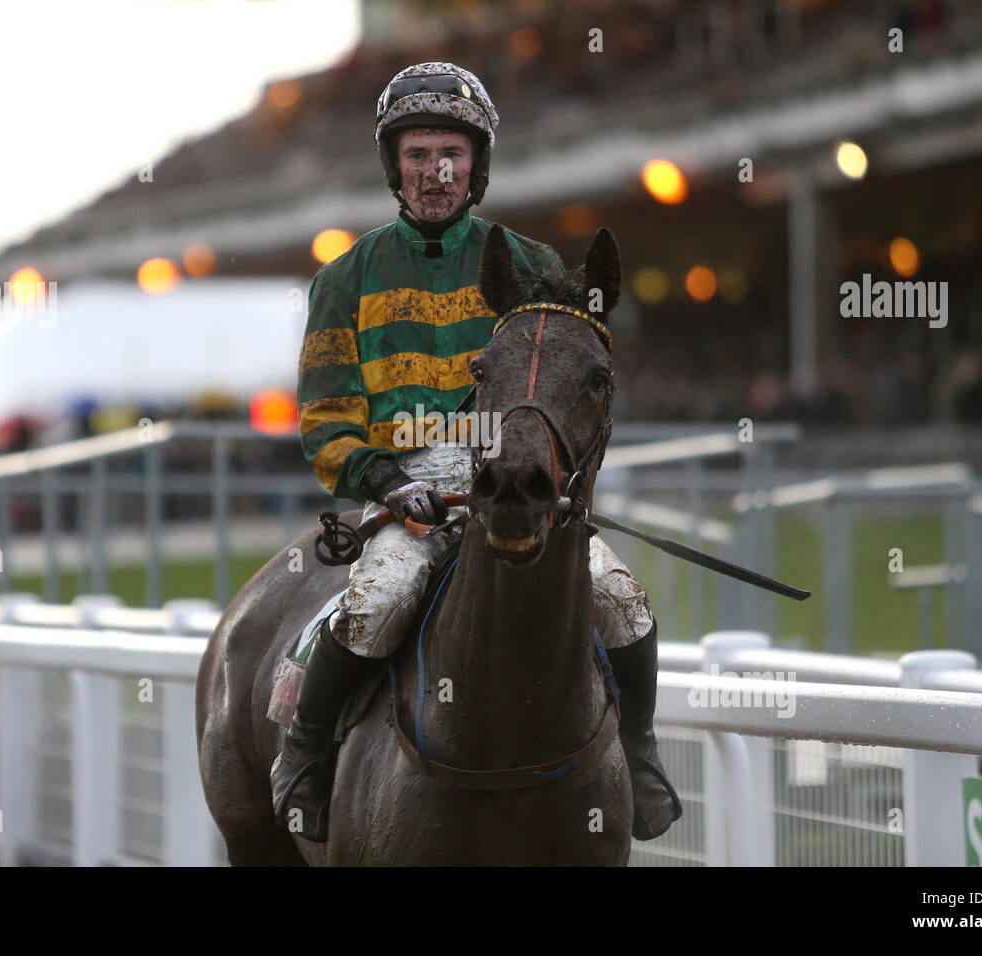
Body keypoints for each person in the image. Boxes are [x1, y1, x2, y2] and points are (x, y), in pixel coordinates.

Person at [275, 61, 681, 843]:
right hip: (409, 490)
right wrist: (390, 485)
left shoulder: (528, 264)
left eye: (452, 154)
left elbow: (571, 367)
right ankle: (303, 756)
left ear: (477, 164)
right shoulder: (344, 280)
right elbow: (326, 422)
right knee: (376, 603)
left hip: (514, 473)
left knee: (625, 602)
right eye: (419, 155)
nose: (437, 172)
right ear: (395, 166)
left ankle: (637, 748)